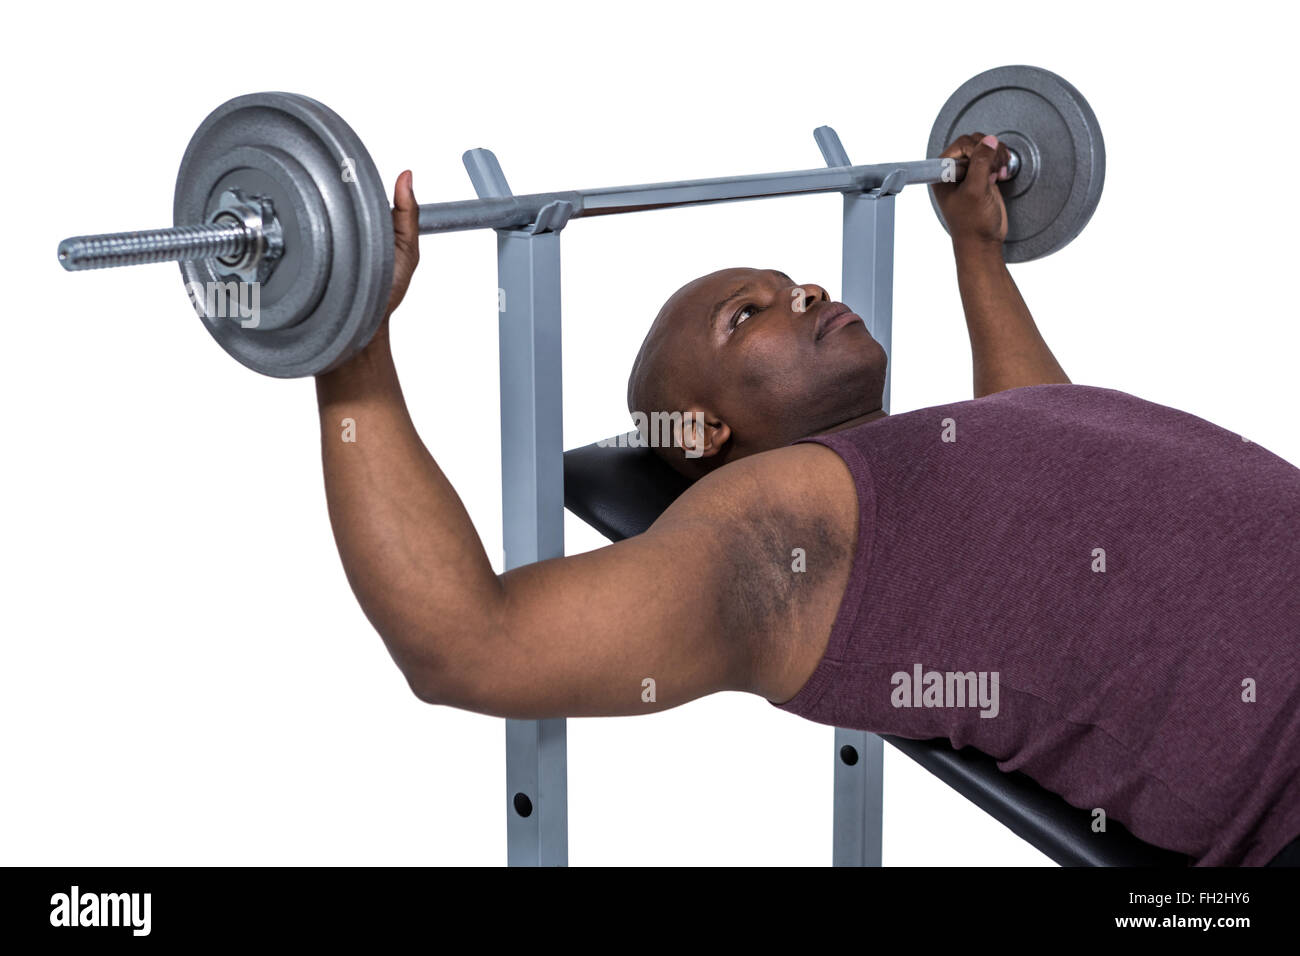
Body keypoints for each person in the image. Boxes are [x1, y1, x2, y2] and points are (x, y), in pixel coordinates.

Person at [314, 133, 1300, 866]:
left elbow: (1043, 409)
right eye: (750, 313)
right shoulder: (777, 529)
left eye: (792, 281)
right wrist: (350, 349)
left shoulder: (945, 452)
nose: (805, 292)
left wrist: (973, 246)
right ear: (700, 433)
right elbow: (465, 644)